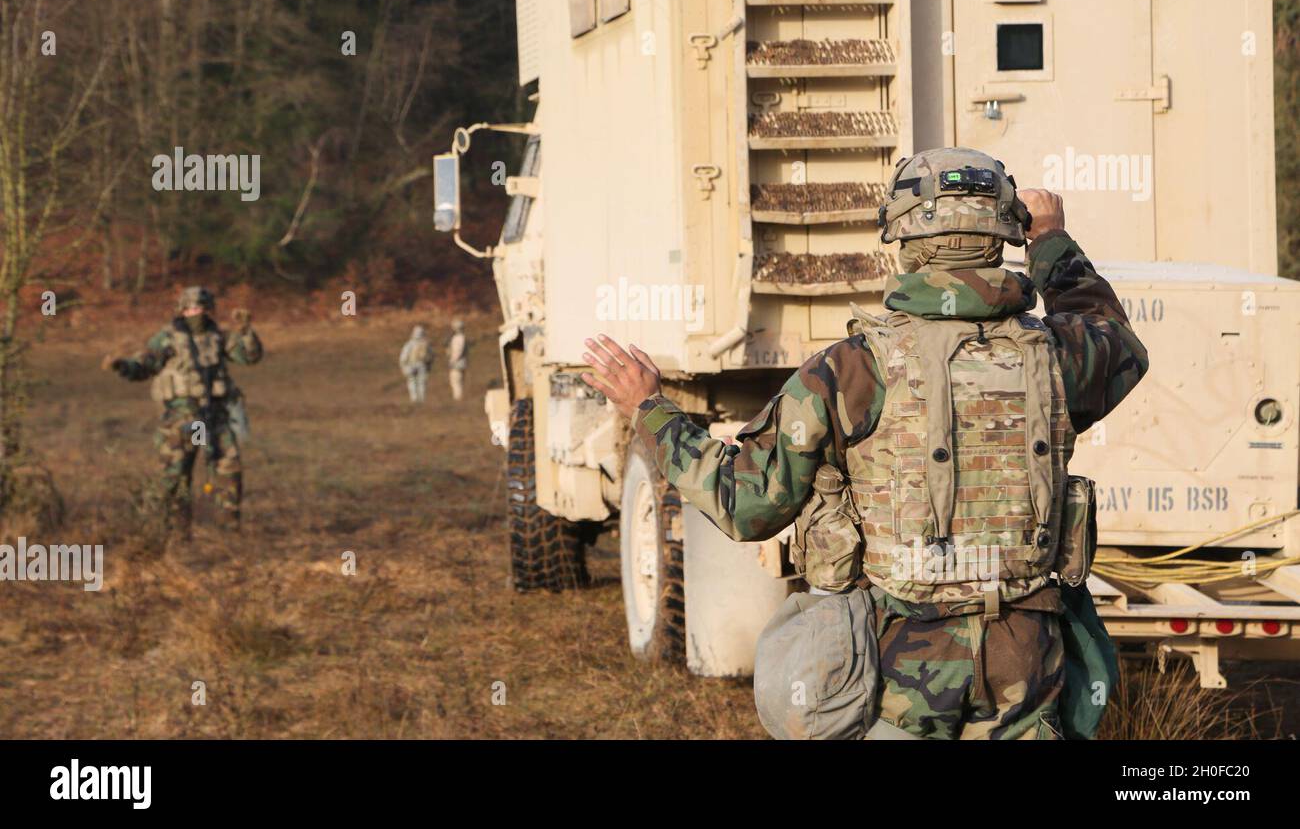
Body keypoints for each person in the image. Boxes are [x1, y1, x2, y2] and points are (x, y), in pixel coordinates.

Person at [580, 147, 1149, 740]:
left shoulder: (851, 370)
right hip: (1028, 651)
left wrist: (650, 409)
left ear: (901, 238)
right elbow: (1114, 337)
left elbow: (745, 503)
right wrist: (1053, 242)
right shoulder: (1060, 358)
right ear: (1005, 232)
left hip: (896, 660)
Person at [104, 286, 263, 536]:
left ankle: (228, 529)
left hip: (215, 416)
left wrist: (246, 332)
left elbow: (248, 357)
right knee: (176, 475)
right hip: (183, 418)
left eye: (200, 308)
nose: (195, 313)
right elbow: (145, 364)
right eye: (190, 309)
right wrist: (123, 366)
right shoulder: (167, 337)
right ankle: (170, 531)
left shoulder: (219, 336)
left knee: (228, 469)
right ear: (181, 310)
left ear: (209, 310)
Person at [399, 325, 434, 403]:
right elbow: (432, 355)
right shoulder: (426, 344)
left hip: (412, 365)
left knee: (412, 382)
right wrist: (429, 365)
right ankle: (422, 399)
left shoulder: (410, 344)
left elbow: (404, 356)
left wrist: (403, 365)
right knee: (422, 383)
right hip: (423, 365)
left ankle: (414, 399)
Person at [447, 319, 467, 402]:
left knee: (456, 381)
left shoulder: (458, 338)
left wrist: (452, 361)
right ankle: (458, 398)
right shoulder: (462, 337)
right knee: (458, 382)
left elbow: (457, 351)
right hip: (461, 364)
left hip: (457, 364)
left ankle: (458, 399)